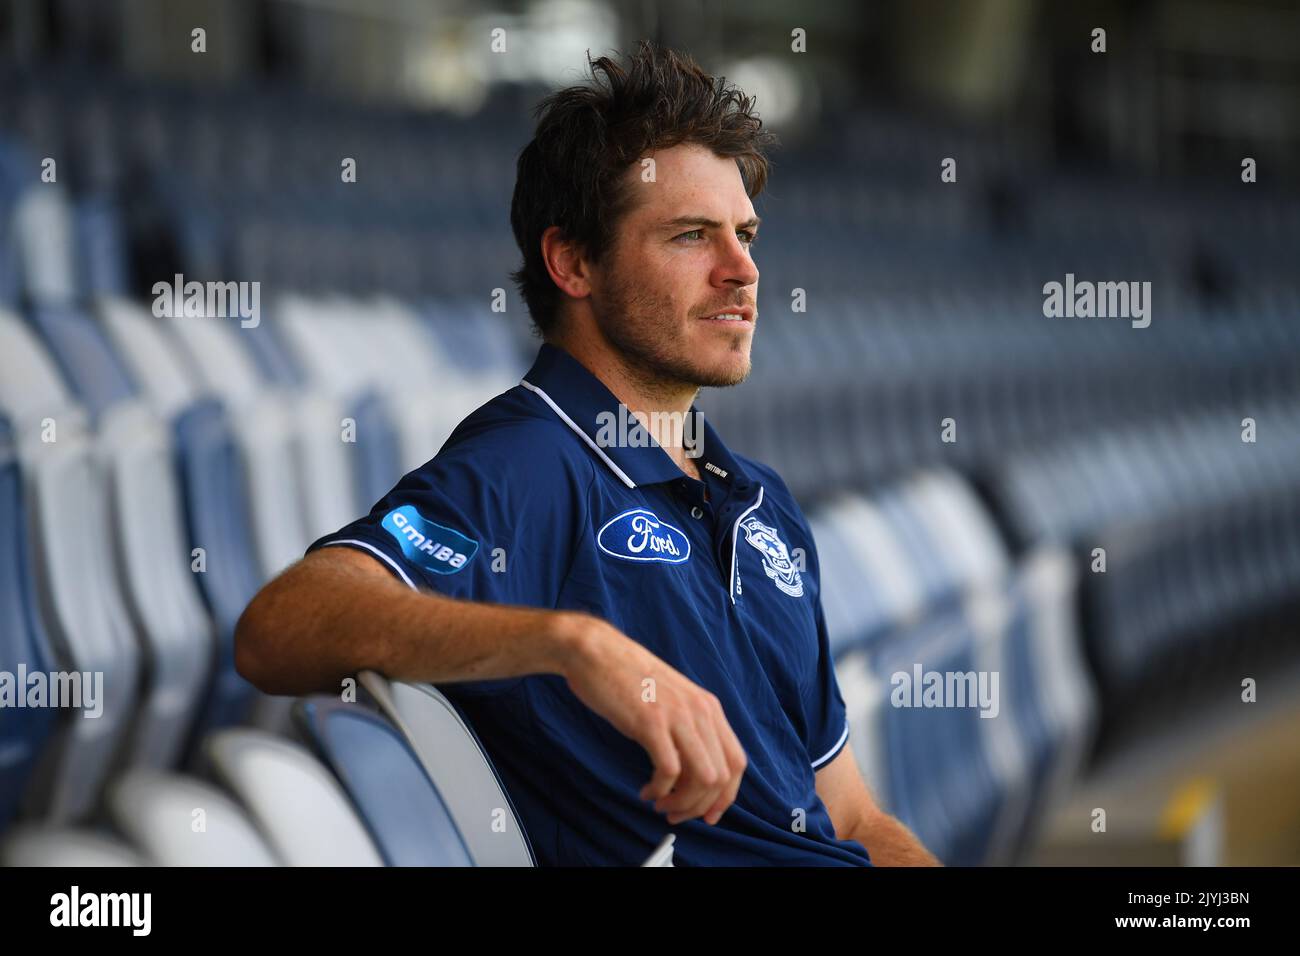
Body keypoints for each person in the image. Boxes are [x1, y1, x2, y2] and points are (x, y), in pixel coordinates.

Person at [236, 40, 939, 867]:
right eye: (691, 236)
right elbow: (278, 626)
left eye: (745, 235)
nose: (742, 270)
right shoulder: (530, 463)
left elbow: (851, 820)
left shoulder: (760, 501)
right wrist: (573, 644)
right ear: (573, 262)